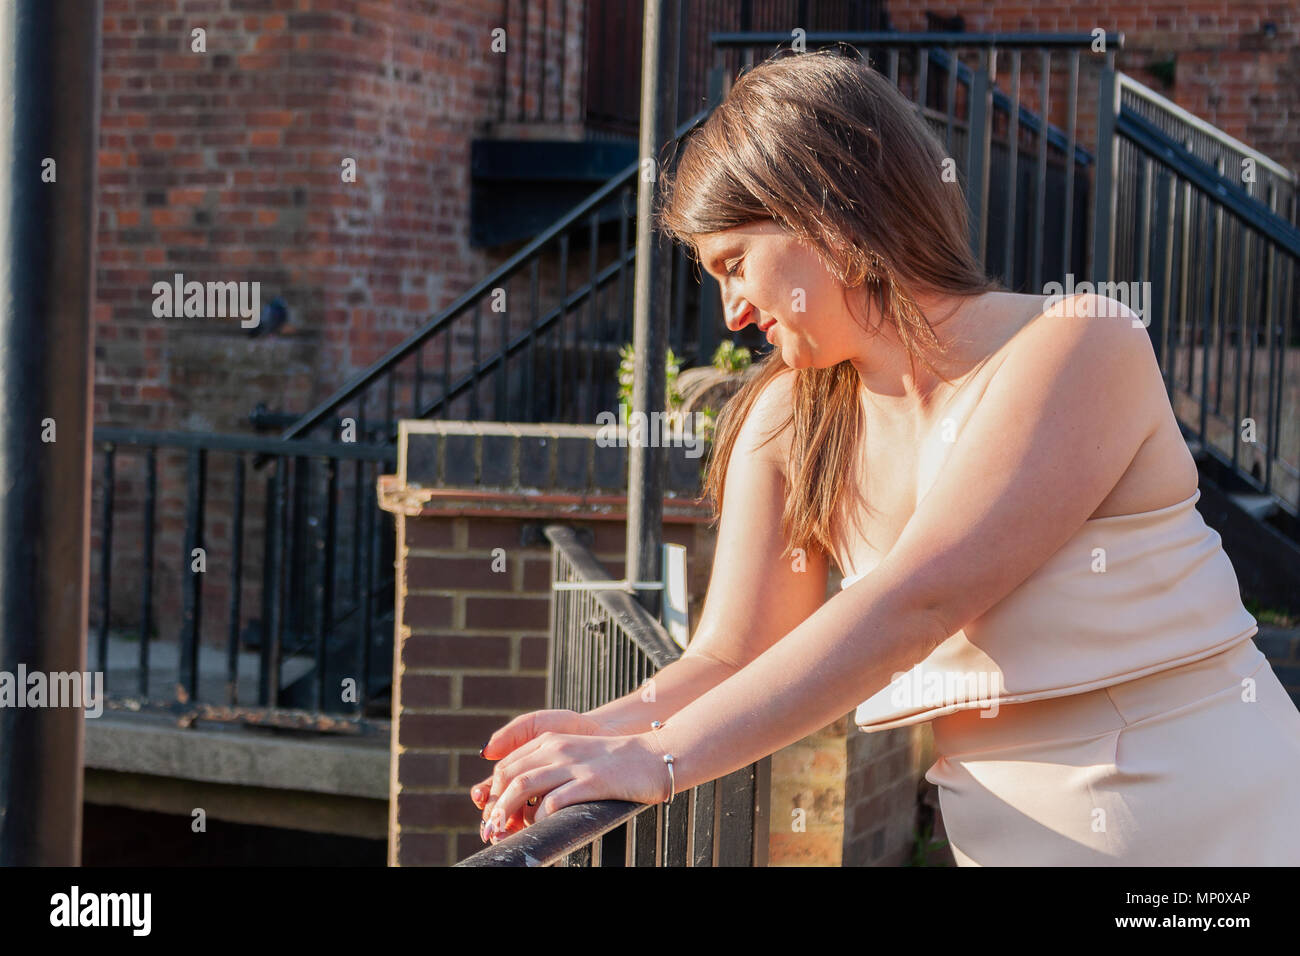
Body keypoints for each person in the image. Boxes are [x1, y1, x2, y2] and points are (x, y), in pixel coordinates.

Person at [469, 49, 1300, 864]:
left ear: (825, 209)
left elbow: (921, 601)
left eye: (734, 264)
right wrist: (613, 729)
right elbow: (732, 655)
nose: (729, 312)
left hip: (1223, 823)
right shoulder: (783, 418)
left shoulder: (1080, 343)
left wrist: (662, 759)